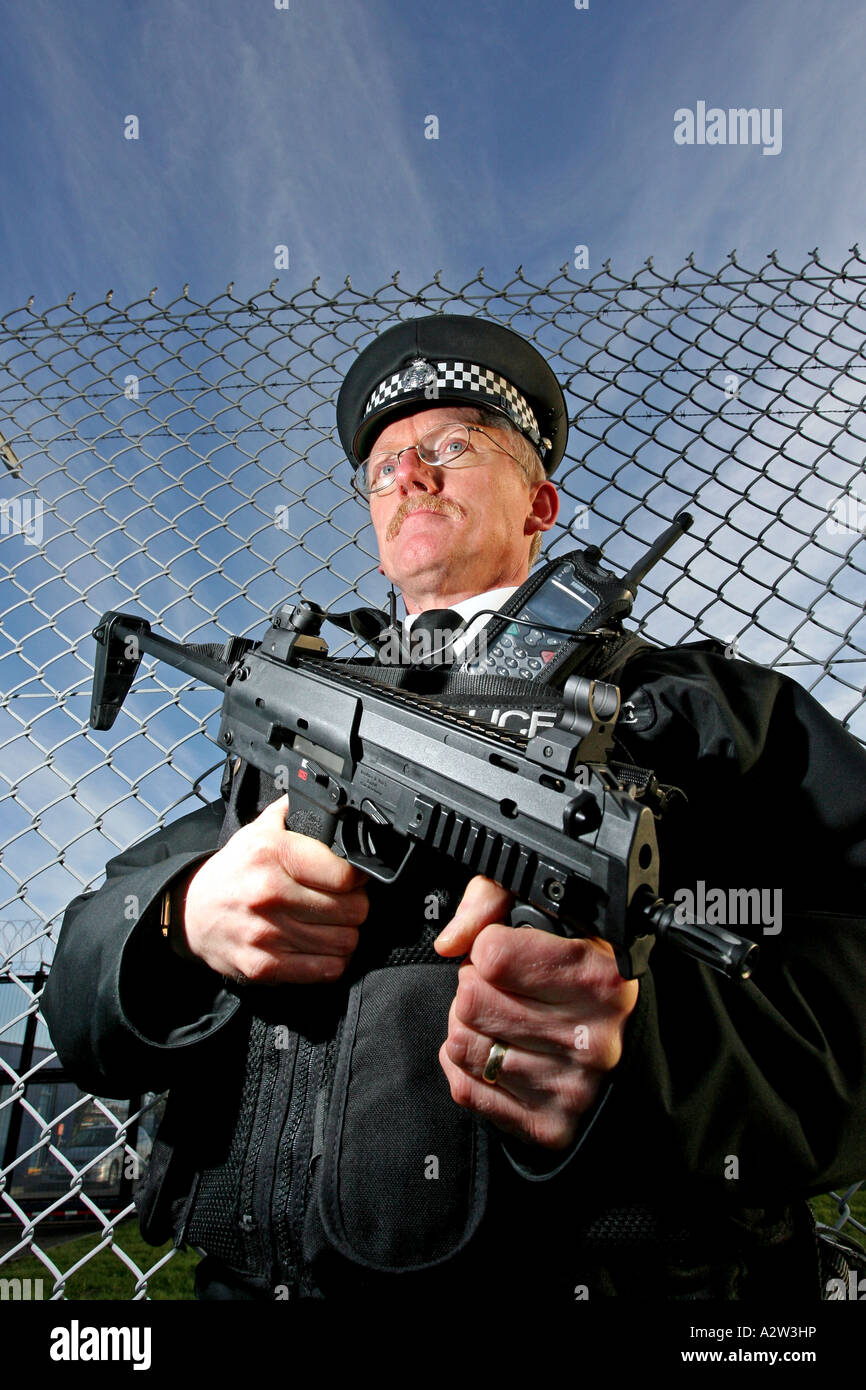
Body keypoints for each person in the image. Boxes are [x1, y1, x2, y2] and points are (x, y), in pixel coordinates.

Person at [42, 314, 866, 1301]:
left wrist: (656, 1046)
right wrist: (183, 923)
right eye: (384, 466)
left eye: (450, 449)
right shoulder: (296, 710)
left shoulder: (704, 710)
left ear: (539, 504)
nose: (409, 478)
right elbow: (83, 991)